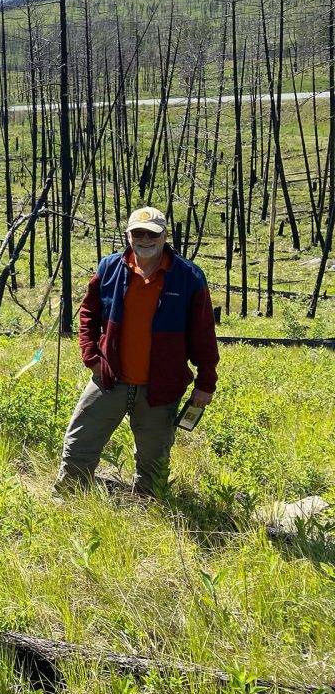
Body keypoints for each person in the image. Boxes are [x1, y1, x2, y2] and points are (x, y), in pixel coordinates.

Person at [56, 206, 219, 497]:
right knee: (79, 443)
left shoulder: (189, 277)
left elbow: (203, 333)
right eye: (138, 233)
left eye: (152, 234)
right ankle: (68, 499)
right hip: (109, 378)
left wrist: (206, 382)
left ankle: (148, 509)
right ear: (128, 235)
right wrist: (91, 357)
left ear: (164, 236)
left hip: (161, 386)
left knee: (153, 459)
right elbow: (88, 313)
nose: (145, 239)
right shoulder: (109, 268)